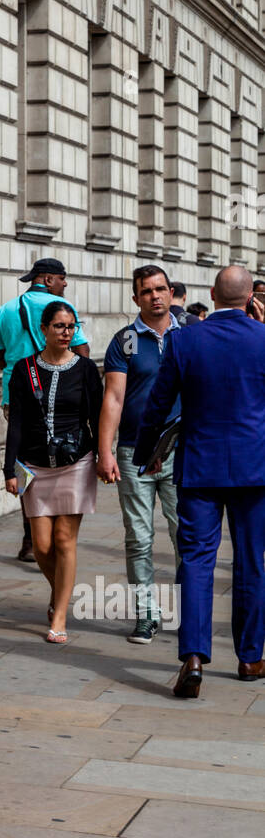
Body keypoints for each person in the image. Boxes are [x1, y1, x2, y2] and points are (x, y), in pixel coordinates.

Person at [134, 265, 265, 698]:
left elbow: (158, 403)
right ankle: (250, 657)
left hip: (200, 468)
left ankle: (192, 656)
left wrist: (144, 453)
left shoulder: (184, 339)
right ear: (250, 297)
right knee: (251, 563)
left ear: (212, 294)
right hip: (254, 469)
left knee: (196, 562)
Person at [3, 301, 103, 643]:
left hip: (77, 462)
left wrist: (104, 456)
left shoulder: (87, 369)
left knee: (64, 539)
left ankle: (59, 616)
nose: (66, 332)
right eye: (59, 326)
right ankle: (60, 589)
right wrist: (9, 468)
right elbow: (16, 420)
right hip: (34, 464)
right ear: (43, 329)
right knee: (42, 546)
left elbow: (98, 415)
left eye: (71, 326)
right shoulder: (23, 369)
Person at [0, 258, 90, 563]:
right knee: (61, 459)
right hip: (59, 395)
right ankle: (57, 528)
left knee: (24, 461)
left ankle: (30, 537)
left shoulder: (6, 309)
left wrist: (19, 365)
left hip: (16, 395)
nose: (65, 283)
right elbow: (82, 352)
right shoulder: (61, 307)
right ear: (47, 279)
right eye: (62, 277)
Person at [98, 266, 181, 643]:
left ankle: (187, 610)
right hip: (134, 452)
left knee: (186, 534)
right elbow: (114, 398)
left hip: (183, 451)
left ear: (171, 291)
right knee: (139, 537)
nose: (155, 296)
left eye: (160, 289)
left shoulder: (190, 334)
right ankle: (146, 614)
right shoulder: (125, 341)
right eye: (146, 291)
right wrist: (105, 451)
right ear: (136, 299)